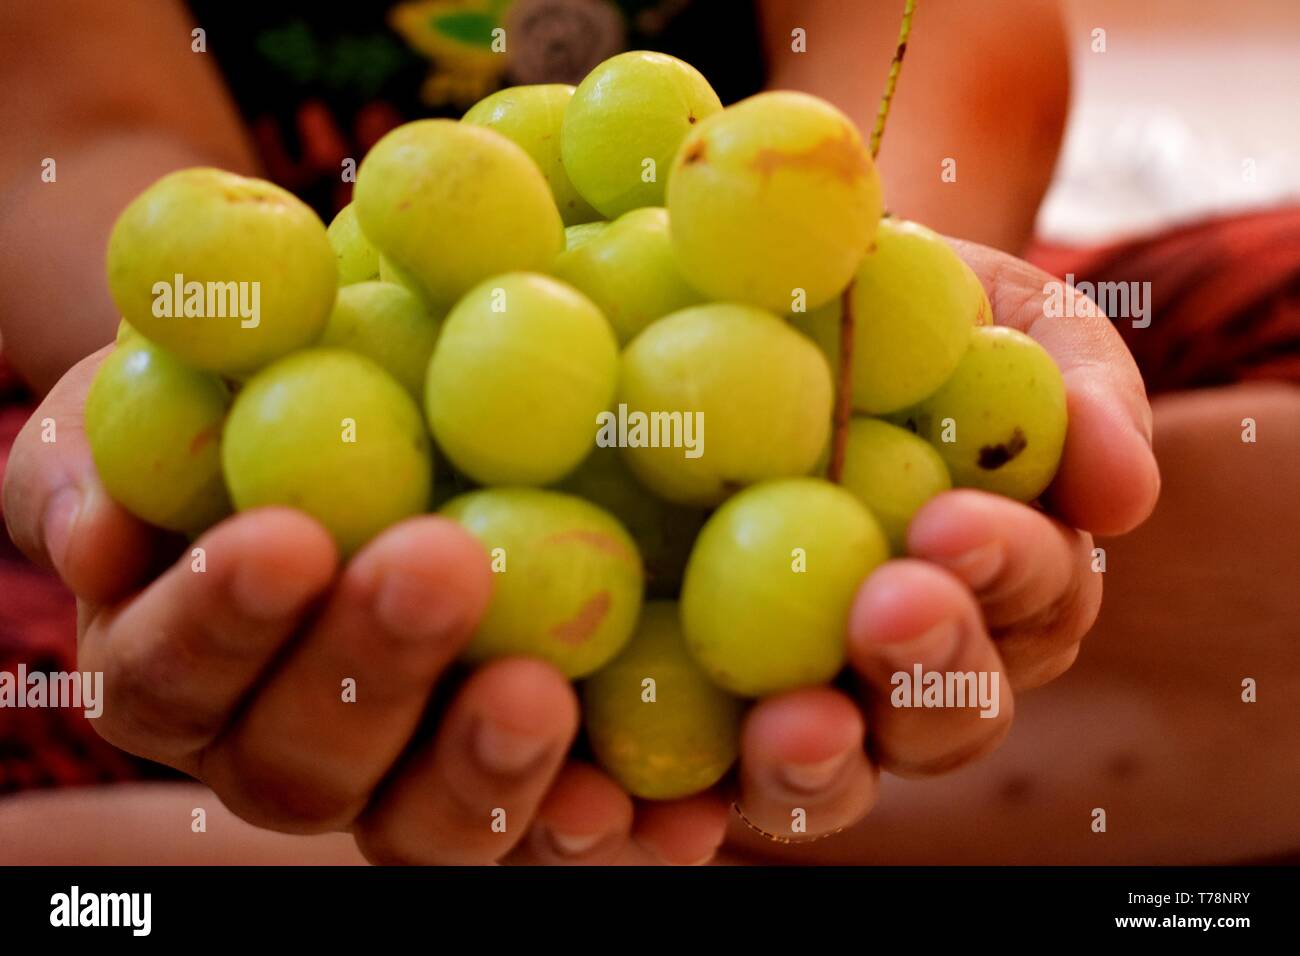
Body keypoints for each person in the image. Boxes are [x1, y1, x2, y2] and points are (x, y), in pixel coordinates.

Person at [0, 0, 1283, 865]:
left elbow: (946, 30)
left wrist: (862, 261)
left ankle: (428, 784)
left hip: (758, 338)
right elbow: (72, 124)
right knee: (133, 614)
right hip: (349, 341)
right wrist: (185, 363)